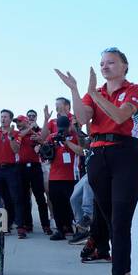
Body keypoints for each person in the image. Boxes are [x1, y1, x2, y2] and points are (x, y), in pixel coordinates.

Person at [57, 48, 138, 275]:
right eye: (102, 63)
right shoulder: (94, 92)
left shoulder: (136, 90)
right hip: (98, 155)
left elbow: (120, 116)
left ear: (124, 66)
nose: (105, 67)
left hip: (126, 155)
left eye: (110, 62)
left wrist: (95, 93)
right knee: (110, 219)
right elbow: (83, 120)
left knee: (119, 220)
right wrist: (75, 90)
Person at [44, 99, 83, 241]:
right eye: (60, 127)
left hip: (71, 176)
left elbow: (81, 151)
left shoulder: (75, 136)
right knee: (57, 204)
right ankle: (60, 229)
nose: (62, 130)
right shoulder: (53, 137)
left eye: (64, 127)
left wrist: (67, 142)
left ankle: (75, 229)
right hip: (54, 176)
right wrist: (47, 148)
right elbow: (45, 154)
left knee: (72, 204)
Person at [17, 110, 51, 236]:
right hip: (21, 167)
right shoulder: (17, 134)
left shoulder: (35, 132)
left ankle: (46, 225)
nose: (18, 124)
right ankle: (28, 225)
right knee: (25, 197)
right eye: (17, 122)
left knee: (40, 197)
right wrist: (28, 128)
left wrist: (44, 121)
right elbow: (18, 137)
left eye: (20, 122)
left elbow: (44, 138)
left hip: (35, 167)